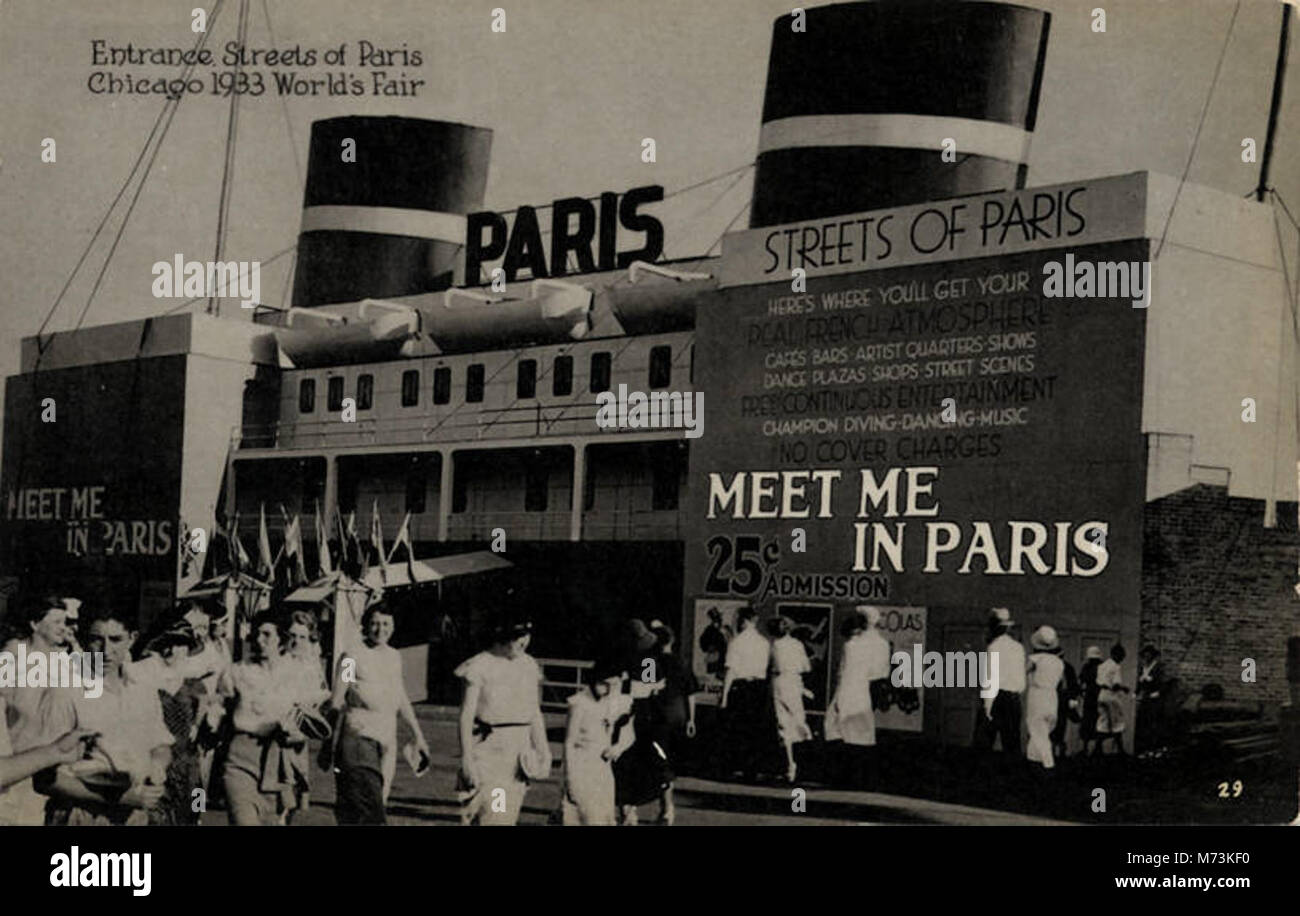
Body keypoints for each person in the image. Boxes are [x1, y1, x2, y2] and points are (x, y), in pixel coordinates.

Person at [40, 607, 173, 826]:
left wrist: (156, 768)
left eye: (116, 639)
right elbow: (44, 779)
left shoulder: (143, 687)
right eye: (96, 640)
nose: (106, 650)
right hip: (81, 815)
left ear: (132, 639)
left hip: (134, 815)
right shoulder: (66, 690)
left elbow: (160, 744)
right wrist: (117, 798)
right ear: (83, 640)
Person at [215, 610, 322, 826]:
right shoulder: (236, 671)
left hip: (281, 760)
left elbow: (320, 705)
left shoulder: (305, 670)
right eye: (256, 634)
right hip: (240, 759)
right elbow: (220, 708)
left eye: (266, 635)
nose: (258, 640)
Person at [328, 604, 427, 825]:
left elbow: (401, 697)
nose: (380, 629)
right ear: (365, 625)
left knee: (376, 802)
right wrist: (328, 742)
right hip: (358, 737)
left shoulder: (394, 656)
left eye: (385, 624)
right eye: (374, 623)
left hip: (386, 739)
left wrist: (417, 735)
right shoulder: (350, 656)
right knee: (370, 809)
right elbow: (336, 700)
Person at [455, 613, 548, 826]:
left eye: (526, 636)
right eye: (517, 637)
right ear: (502, 636)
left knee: (507, 816)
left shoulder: (529, 665)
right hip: (489, 756)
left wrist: (543, 750)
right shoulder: (480, 665)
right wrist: (466, 758)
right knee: (494, 815)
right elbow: (466, 716)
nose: (523, 642)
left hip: (519, 757)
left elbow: (534, 711)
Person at [0, 596, 77, 824]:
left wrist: (79, 648)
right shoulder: (11, 656)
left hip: (58, 772)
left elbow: (95, 693)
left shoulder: (68, 660)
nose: (63, 628)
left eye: (66, 622)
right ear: (35, 624)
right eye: (56, 622)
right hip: (19, 769)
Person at [825, 607, 891, 784]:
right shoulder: (882, 644)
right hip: (868, 689)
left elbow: (844, 672)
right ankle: (864, 776)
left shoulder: (852, 645)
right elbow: (880, 672)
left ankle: (843, 775)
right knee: (863, 733)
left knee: (837, 729)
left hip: (850, 689)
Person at [561, 660, 632, 825]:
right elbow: (569, 742)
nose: (610, 690)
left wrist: (618, 747)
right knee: (586, 816)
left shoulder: (611, 702)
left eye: (614, 686)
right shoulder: (578, 703)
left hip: (602, 768)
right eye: (606, 684)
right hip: (582, 766)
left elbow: (631, 730)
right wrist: (569, 778)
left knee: (604, 816)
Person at [642, 621, 698, 824]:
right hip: (679, 715)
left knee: (659, 763)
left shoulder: (649, 662)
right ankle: (667, 807)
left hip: (656, 716)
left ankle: (666, 807)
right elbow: (690, 693)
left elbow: (646, 690)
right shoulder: (682, 662)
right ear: (672, 641)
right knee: (669, 763)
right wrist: (691, 719)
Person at [718, 606, 781, 781]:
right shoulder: (764, 643)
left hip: (742, 687)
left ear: (744, 621)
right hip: (760, 687)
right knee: (757, 728)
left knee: (739, 728)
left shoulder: (736, 643)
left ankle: (736, 765)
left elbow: (731, 670)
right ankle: (753, 768)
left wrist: (724, 696)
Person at [974, 608, 1025, 754]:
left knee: (983, 744)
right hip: (1014, 698)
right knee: (1012, 744)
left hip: (996, 697)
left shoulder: (994, 647)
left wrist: (987, 706)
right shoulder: (1018, 647)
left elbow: (991, 677)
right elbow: (1021, 681)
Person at [768, 616, 813, 783]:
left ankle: (790, 765)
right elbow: (806, 667)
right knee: (799, 721)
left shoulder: (775, 646)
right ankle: (802, 762)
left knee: (783, 725)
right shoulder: (798, 645)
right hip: (795, 683)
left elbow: (770, 666)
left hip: (779, 683)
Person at [1025, 626, 1065, 770]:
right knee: (1042, 733)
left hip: (1038, 696)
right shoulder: (1059, 662)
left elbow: (1024, 672)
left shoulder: (1035, 659)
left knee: (1037, 731)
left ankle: (1048, 766)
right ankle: (1034, 765)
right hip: (1052, 697)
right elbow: (1060, 682)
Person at [1094, 643, 1129, 756]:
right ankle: (1120, 750)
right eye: (1121, 656)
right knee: (1117, 722)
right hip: (1111, 695)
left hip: (1101, 694)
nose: (1122, 659)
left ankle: (1097, 748)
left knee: (1103, 720)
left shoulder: (1102, 665)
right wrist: (1124, 688)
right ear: (1117, 655)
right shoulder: (1115, 666)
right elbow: (1115, 684)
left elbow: (1098, 681)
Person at [1135, 645, 1168, 757]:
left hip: (1155, 699)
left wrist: (1159, 692)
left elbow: (1163, 683)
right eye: (1145, 655)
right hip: (1146, 698)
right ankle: (1145, 748)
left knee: (1155, 723)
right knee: (1144, 723)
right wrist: (1136, 692)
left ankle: (1157, 748)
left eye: (1148, 655)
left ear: (1152, 656)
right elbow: (1140, 683)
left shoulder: (1158, 667)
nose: (1146, 657)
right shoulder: (1143, 668)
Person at [1051, 649, 1081, 762]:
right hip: (1060, 699)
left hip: (1059, 700)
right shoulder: (1067, 667)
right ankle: (1058, 749)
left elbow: (1073, 686)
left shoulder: (1061, 668)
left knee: (1058, 726)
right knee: (1059, 726)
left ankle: (1057, 750)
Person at [1079, 646, 1103, 755]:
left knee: (1090, 721)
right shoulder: (1101, 667)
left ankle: (1088, 747)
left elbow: (1081, 681)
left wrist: (1082, 691)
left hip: (1092, 697)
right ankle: (1096, 746)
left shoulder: (1087, 667)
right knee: (1097, 722)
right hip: (1096, 696)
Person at [698, 607, 730, 679]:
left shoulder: (726, 629)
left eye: (718, 618)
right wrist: (710, 648)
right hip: (714, 660)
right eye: (715, 618)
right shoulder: (708, 630)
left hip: (724, 659)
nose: (718, 620)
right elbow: (703, 644)